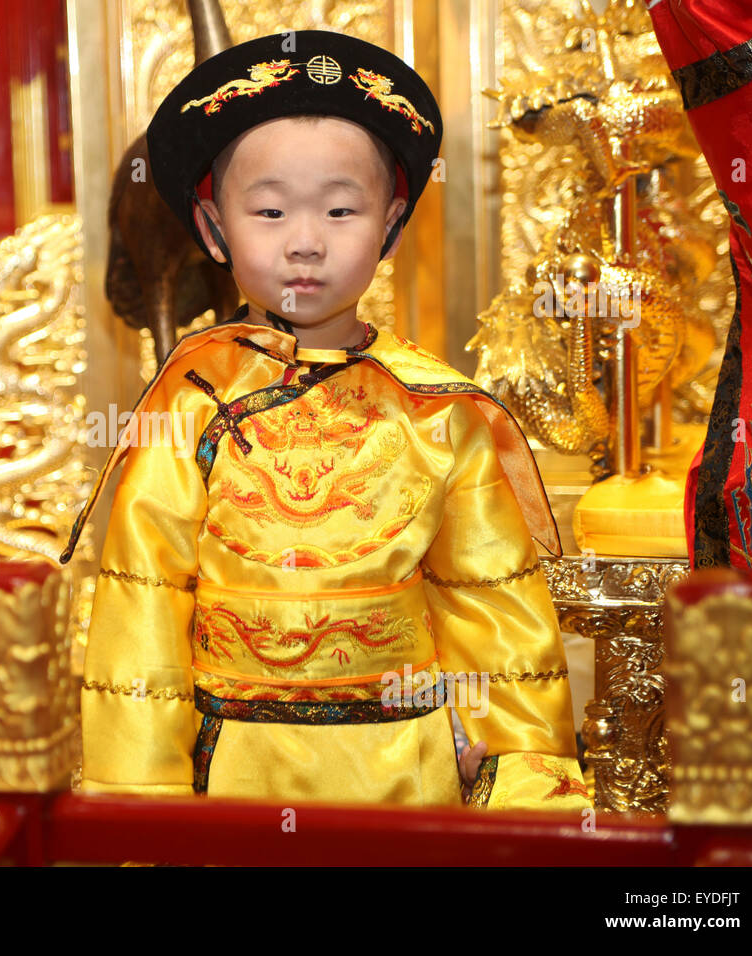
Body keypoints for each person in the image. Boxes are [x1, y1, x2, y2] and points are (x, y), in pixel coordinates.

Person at [58, 30, 591, 811]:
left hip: (406, 774)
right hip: (233, 775)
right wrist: (144, 817)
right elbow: (143, 609)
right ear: (213, 228)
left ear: (391, 223)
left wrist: (519, 785)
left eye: (342, 209)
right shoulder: (189, 403)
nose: (305, 242)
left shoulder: (441, 411)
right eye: (269, 210)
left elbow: (497, 612)